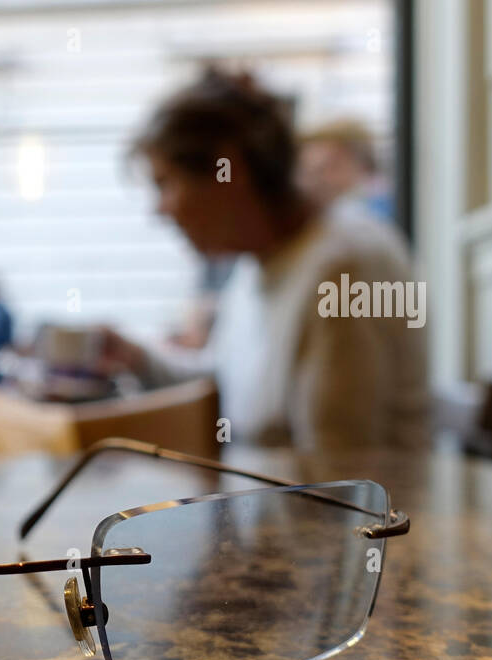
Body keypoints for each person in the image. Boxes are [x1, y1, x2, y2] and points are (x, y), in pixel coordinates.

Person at [101, 69, 428, 451]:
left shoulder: (345, 269)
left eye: (165, 184)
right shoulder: (258, 264)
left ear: (229, 169)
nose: (160, 211)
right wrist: (137, 358)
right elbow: (228, 385)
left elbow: (340, 480)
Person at [296, 118, 393, 220]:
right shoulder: (304, 217)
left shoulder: (373, 213)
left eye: (332, 166)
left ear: (363, 167)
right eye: (310, 171)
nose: (318, 180)